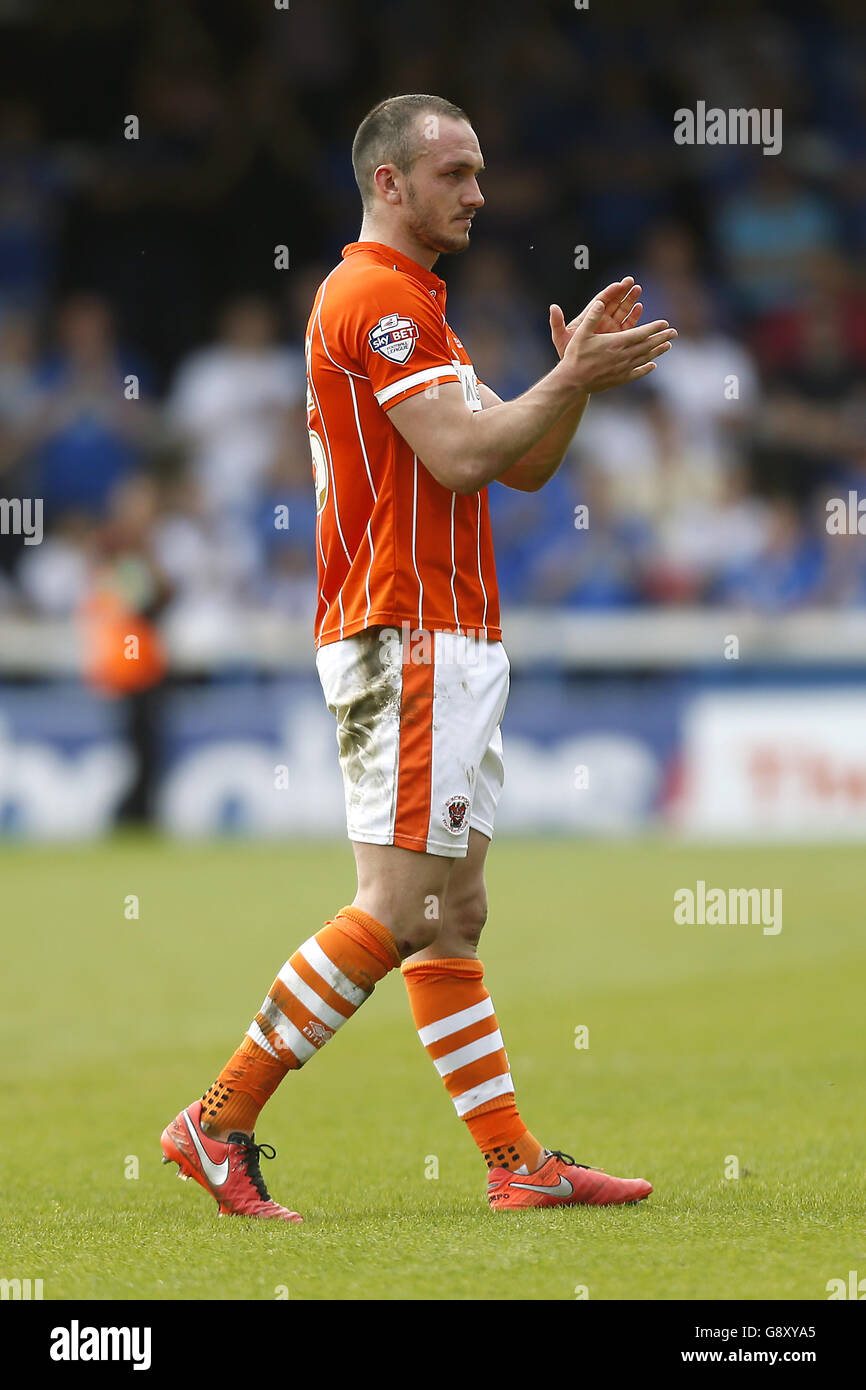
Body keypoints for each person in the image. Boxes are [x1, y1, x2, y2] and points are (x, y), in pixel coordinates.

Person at [161, 94, 676, 1219]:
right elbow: (455, 457)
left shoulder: (416, 312)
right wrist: (570, 380)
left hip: (449, 633)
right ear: (387, 183)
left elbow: (521, 466)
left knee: (453, 912)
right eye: (454, 173)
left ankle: (511, 1166)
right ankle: (217, 1119)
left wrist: (570, 380)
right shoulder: (376, 300)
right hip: (405, 630)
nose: (478, 194)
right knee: (396, 905)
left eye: (480, 172)